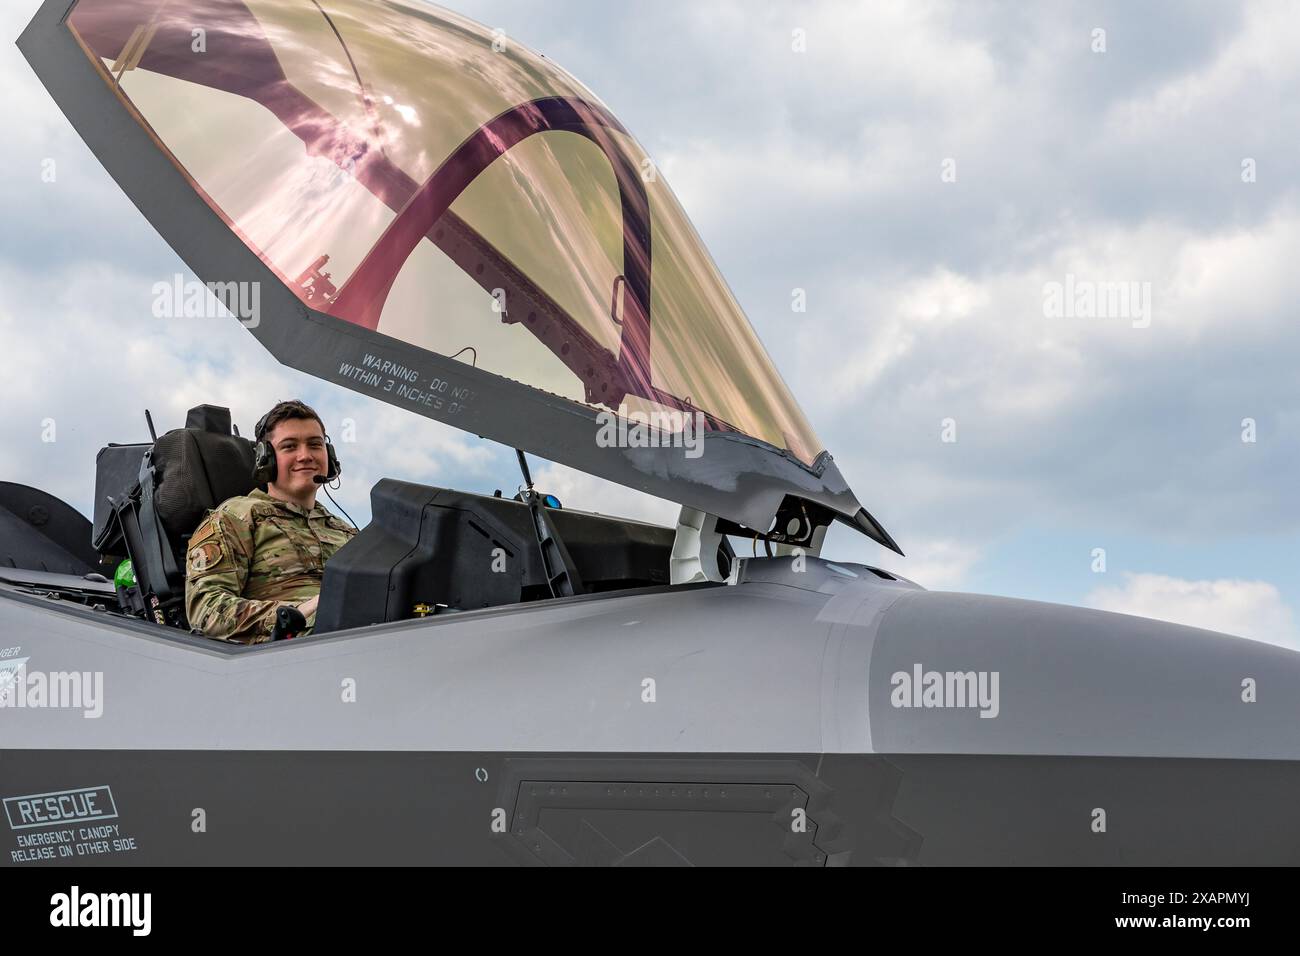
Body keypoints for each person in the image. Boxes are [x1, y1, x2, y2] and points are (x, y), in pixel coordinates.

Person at [184, 400, 356, 643]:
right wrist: (299, 612)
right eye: (290, 447)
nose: (305, 455)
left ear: (329, 455)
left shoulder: (346, 531)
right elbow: (206, 611)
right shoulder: (237, 517)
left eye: (315, 445)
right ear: (266, 459)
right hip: (287, 656)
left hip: (363, 640)